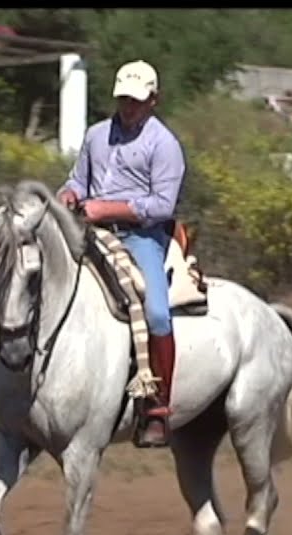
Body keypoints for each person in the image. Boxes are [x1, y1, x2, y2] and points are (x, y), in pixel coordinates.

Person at [57, 59, 187, 448]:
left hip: (141, 237)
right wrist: (71, 193)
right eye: (123, 99)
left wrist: (107, 209)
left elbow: (162, 205)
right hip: (89, 230)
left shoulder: (164, 145)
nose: (128, 107)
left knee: (158, 314)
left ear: (153, 100)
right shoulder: (97, 135)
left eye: (136, 100)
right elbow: (78, 178)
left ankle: (158, 407)